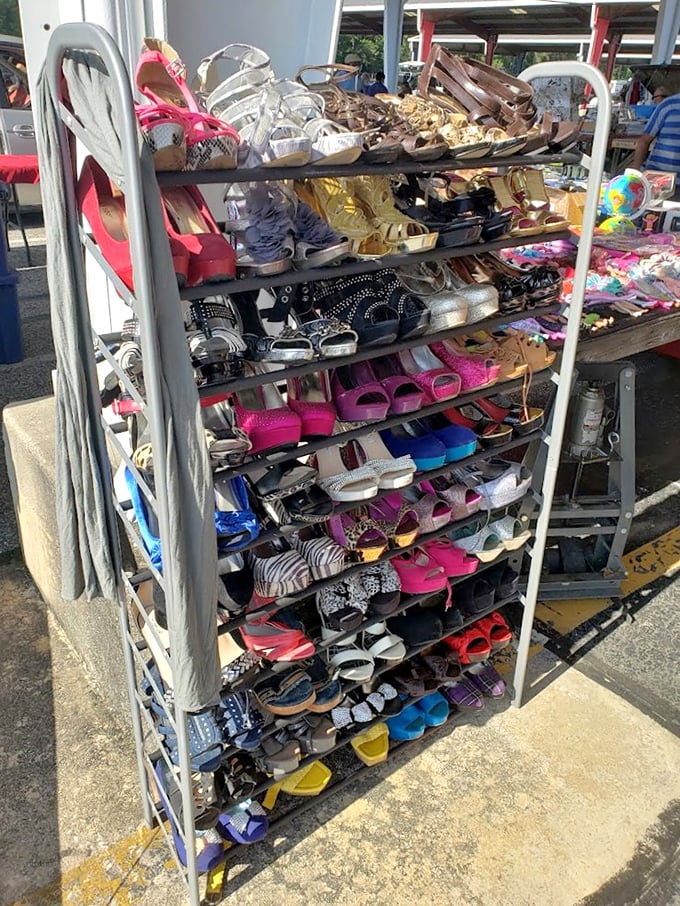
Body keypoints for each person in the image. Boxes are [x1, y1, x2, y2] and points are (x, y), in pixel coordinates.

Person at [633, 88, 680, 174]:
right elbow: (644, 141)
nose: (654, 100)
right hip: (660, 179)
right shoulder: (668, 105)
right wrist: (634, 173)